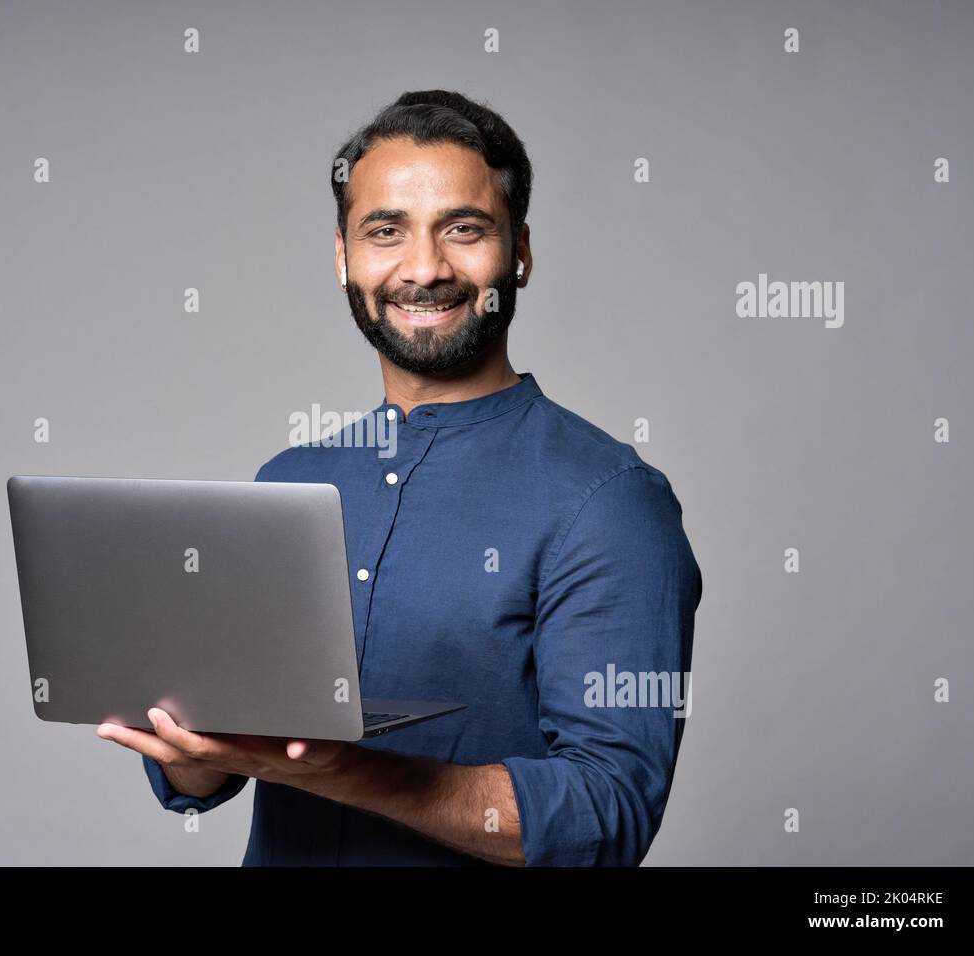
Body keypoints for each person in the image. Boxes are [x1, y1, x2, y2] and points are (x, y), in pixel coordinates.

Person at [96, 89, 703, 866]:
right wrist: (189, 746)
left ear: (519, 250)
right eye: (386, 231)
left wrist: (352, 771)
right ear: (343, 256)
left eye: (464, 229)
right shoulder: (286, 481)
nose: (424, 268)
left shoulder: (612, 501)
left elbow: (604, 815)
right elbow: (207, 773)